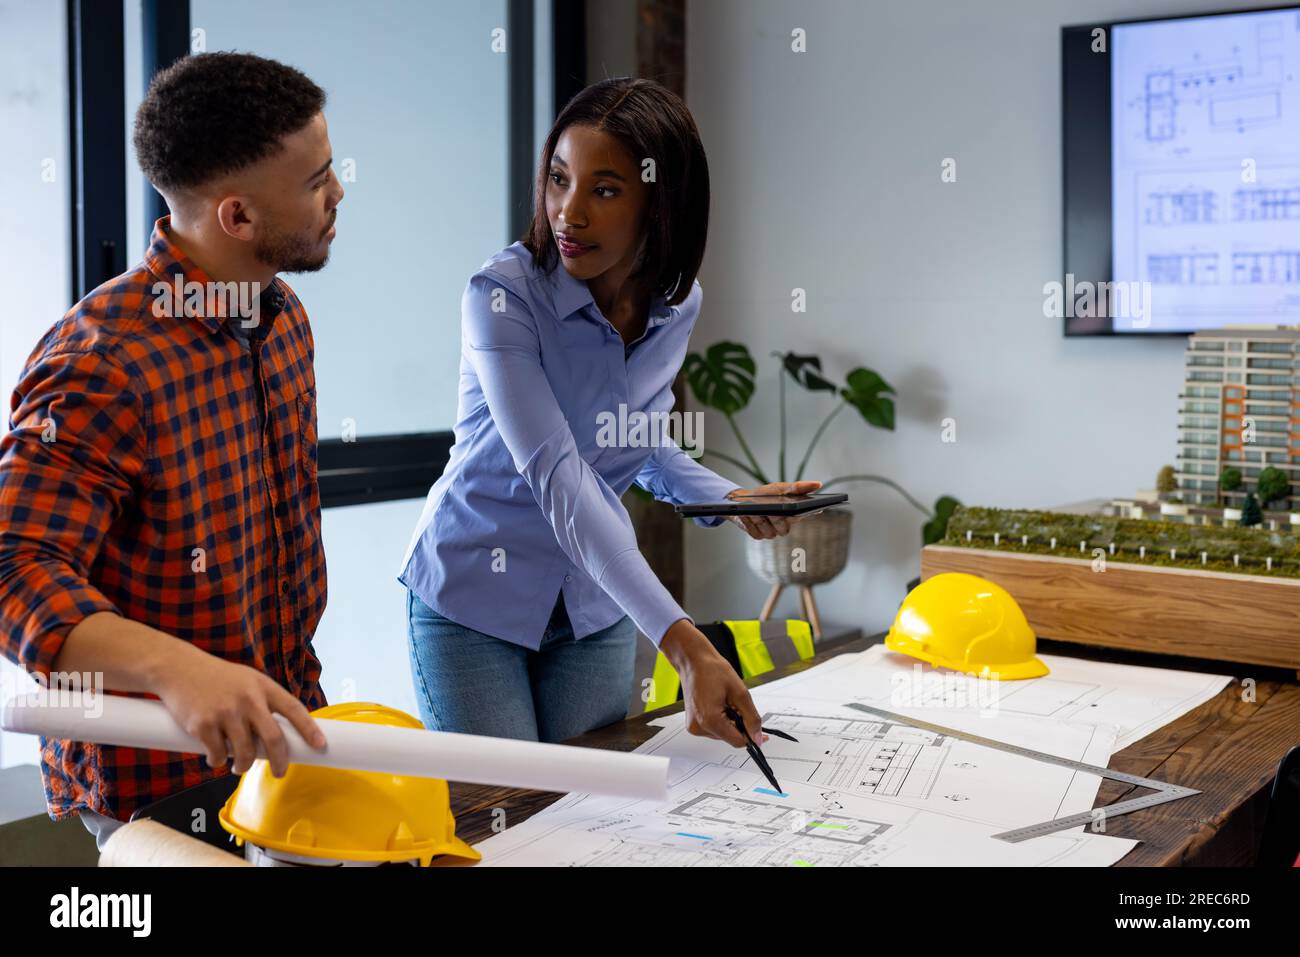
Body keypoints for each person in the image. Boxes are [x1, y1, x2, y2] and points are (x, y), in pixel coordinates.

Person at [400, 77, 822, 750]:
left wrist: (727, 496)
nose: (569, 213)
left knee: (588, 816)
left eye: (604, 189)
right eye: (560, 180)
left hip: (592, 607)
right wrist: (685, 644)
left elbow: (637, 439)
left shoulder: (675, 307)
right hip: (473, 597)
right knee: (506, 818)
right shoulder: (502, 296)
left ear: (662, 204)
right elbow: (560, 475)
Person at [0, 52, 342, 849]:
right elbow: (13, 565)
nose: (337, 194)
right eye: (317, 180)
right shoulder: (101, 360)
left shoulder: (281, 315)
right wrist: (175, 669)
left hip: (280, 738)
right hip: (153, 780)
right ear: (237, 218)